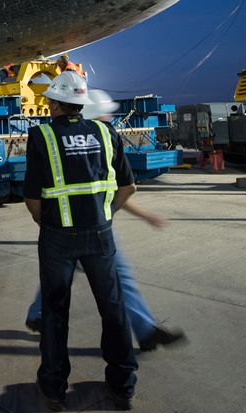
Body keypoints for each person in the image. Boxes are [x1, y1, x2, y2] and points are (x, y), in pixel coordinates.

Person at [25, 89, 185, 352]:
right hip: (93, 229)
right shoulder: (93, 140)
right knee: (113, 280)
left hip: (82, 228)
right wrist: (104, 215)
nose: (107, 118)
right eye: (103, 113)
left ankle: (38, 314)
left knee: (63, 277)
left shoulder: (92, 138)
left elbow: (113, 188)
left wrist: (132, 214)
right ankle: (142, 334)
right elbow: (123, 188)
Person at [23, 71, 137, 411]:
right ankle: (122, 385)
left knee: (55, 313)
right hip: (100, 234)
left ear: (57, 103)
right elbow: (129, 187)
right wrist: (105, 215)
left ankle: (54, 387)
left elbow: (32, 198)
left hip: (58, 236)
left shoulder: (41, 136)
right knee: (113, 309)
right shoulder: (105, 132)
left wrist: (50, 222)